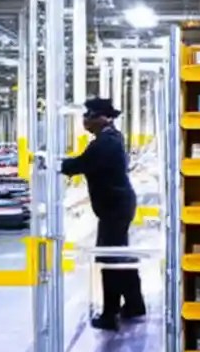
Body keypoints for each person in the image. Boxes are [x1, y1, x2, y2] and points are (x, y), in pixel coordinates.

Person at [61, 97, 145, 331]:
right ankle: (135, 305)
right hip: (117, 206)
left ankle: (110, 314)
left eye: (89, 116)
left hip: (114, 208)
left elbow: (80, 165)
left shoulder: (105, 143)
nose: (85, 120)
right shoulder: (109, 138)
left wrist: (54, 164)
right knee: (119, 256)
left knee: (109, 259)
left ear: (103, 118)